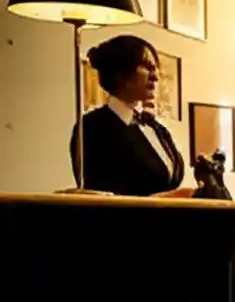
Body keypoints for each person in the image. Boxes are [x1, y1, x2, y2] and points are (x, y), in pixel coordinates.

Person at [73, 35, 191, 197]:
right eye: (147, 67)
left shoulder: (156, 128)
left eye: (155, 68)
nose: (155, 76)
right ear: (122, 74)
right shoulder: (92, 127)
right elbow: (100, 195)